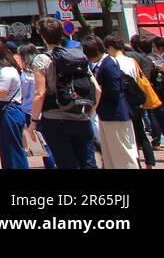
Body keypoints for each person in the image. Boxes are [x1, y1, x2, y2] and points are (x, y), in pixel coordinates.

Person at [30, 16, 99, 169]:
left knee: (66, 164)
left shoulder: (42, 59)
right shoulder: (78, 56)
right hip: (81, 117)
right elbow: (98, 90)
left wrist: (33, 122)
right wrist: (89, 114)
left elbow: (39, 93)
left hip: (54, 119)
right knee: (88, 164)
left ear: (42, 36)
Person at [83, 35, 135, 169]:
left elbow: (114, 90)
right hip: (108, 115)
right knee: (111, 154)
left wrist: (97, 94)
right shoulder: (104, 63)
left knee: (122, 154)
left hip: (115, 115)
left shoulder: (108, 64)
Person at [105, 35, 153, 169]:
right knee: (141, 132)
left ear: (110, 47)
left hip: (124, 102)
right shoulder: (132, 61)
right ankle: (149, 162)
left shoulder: (112, 62)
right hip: (137, 100)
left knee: (129, 137)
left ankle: (134, 163)